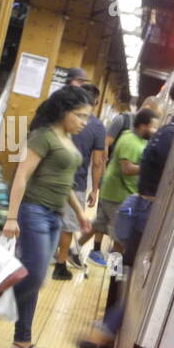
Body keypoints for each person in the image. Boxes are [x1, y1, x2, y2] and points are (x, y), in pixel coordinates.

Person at [0, 85, 93, 348]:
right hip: (33, 211)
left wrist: (79, 213)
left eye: (87, 117)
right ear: (63, 112)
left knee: (32, 275)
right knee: (36, 276)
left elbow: (63, 182)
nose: (84, 123)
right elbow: (21, 176)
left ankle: (22, 341)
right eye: (80, 116)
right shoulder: (42, 137)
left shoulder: (65, 137)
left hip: (54, 215)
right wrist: (12, 217)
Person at [79, 83, 174, 348]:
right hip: (134, 206)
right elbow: (132, 170)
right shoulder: (162, 137)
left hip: (133, 204)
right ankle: (102, 332)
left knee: (126, 268)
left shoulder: (161, 133)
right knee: (130, 272)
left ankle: (105, 322)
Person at [89, 108, 155, 266]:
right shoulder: (131, 141)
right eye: (153, 126)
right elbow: (126, 169)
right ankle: (115, 273)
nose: (155, 130)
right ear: (143, 125)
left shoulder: (135, 138)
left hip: (114, 191)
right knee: (119, 236)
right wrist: (147, 167)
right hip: (119, 193)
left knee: (98, 224)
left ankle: (75, 251)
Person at [52, 81, 105, 278]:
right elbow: (98, 162)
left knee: (47, 217)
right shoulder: (98, 127)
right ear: (96, 102)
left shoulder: (61, 115)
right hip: (77, 183)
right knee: (68, 226)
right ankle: (60, 265)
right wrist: (95, 189)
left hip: (51, 178)